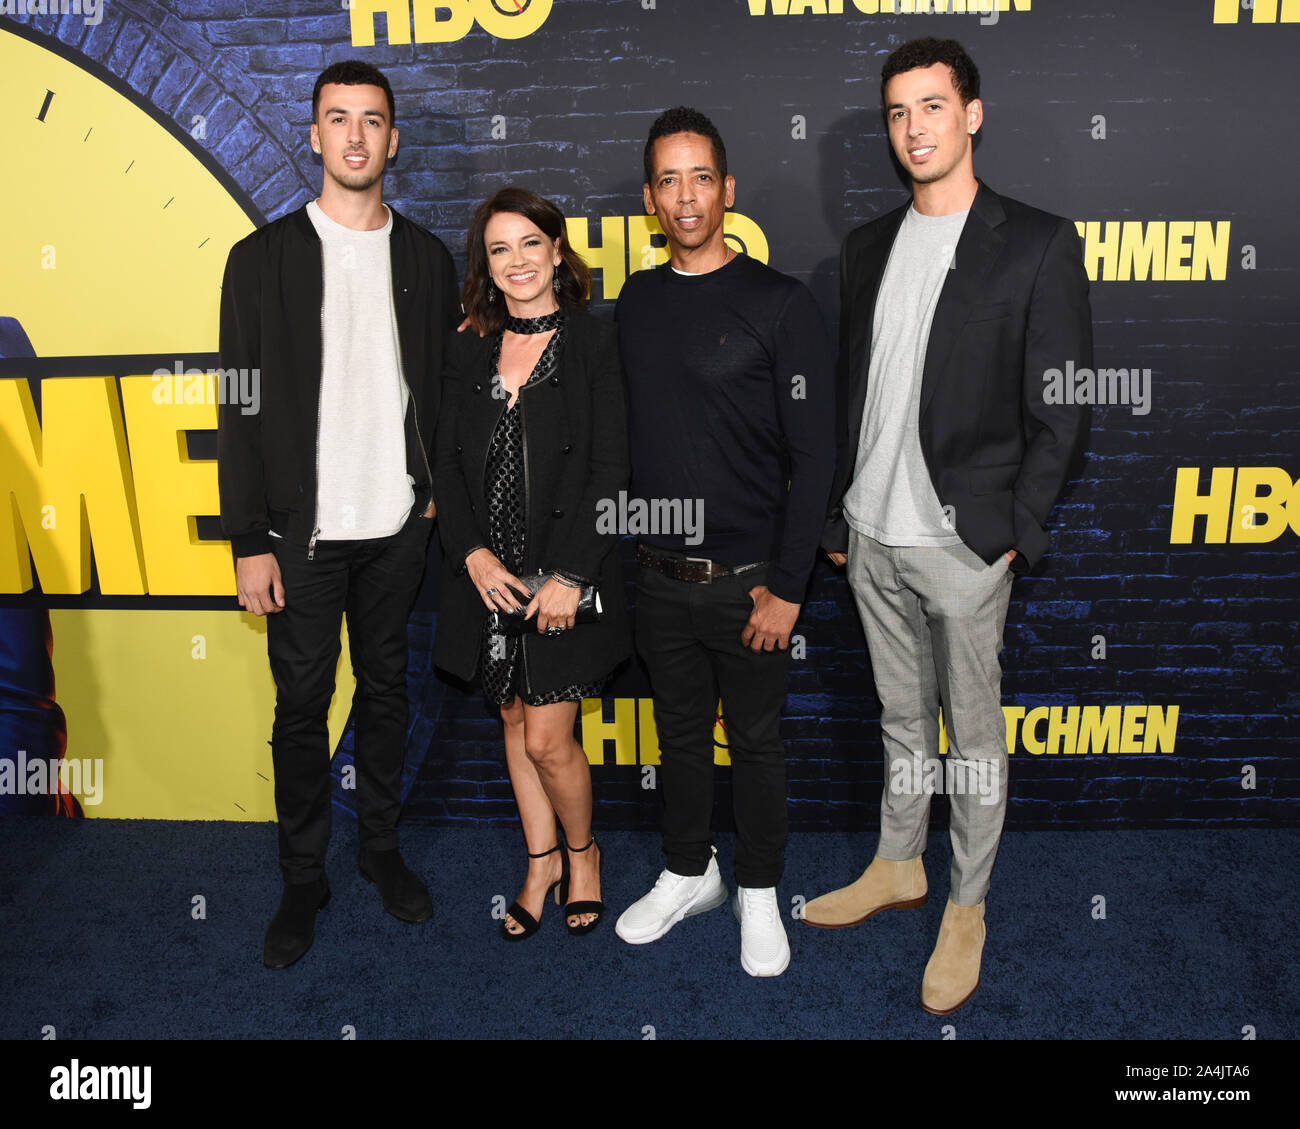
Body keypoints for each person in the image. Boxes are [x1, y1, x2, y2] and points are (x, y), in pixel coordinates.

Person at [804, 38, 1092, 1014]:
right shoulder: (864, 247)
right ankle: (899, 864)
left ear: (971, 114)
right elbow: (855, 388)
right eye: (897, 111)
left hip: (963, 544)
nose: (913, 128)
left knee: (968, 737)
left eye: (931, 106)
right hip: (869, 535)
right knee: (897, 720)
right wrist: (839, 513)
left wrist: (1014, 528)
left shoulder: (1037, 242)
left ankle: (965, 904)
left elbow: (1063, 404)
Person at [217, 60, 460, 969]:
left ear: (393, 140)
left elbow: (441, 388)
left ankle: (382, 850)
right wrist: (249, 540)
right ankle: (303, 876)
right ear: (313, 135)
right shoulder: (262, 259)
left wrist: (433, 492)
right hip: (300, 536)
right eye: (337, 119)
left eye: (371, 121)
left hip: (398, 529)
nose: (356, 136)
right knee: (302, 709)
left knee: (389, 694)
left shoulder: (427, 259)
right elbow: (238, 408)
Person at [613, 108, 836, 977]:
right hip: (659, 580)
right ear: (648, 201)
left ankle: (757, 889)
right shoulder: (636, 299)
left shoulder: (780, 303)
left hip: (752, 585)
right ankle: (687, 870)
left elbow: (816, 455)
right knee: (676, 737)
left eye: (700, 176)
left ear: (728, 189)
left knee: (755, 742)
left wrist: (788, 587)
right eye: (668, 181)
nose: (686, 196)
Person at [433, 187, 629, 940]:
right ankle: (539, 859)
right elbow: (446, 462)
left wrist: (573, 575)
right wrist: (472, 554)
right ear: (486, 265)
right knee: (513, 719)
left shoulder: (594, 341)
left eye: (529, 244)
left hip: (564, 577)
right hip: (490, 576)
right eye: (498, 249)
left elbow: (612, 464)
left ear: (556, 250)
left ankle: (585, 856)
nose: (517, 261)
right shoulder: (467, 346)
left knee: (550, 737)